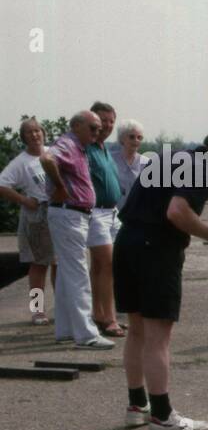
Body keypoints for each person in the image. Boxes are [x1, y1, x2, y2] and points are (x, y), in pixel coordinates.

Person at [112, 127, 208, 430]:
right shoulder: (204, 167)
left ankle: (137, 406)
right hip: (156, 250)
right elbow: (176, 211)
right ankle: (161, 416)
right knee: (159, 335)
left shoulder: (171, 157)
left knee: (138, 330)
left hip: (127, 242)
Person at [40, 110, 114, 348]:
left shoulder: (78, 147)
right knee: (77, 273)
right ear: (76, 126)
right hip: (68, 214)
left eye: (98, 128)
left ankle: (66, 329)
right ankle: (86, 334)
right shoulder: (68, 144)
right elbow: (47, 158)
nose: (97, 132)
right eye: (92, 127)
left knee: (65, 273)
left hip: (72, 214)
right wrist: (60, 186)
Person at [0, 118, 56, 324]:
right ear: (24, 137)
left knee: (58, 264)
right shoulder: (20, 162)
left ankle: (63, 307)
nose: (34, 135)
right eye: (29, 132)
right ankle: (37, 310)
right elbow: (2, 184)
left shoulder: (53, 153)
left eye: (37, 131)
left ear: (43, 133)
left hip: (58, 214)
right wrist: (24, 200)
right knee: (39, 265)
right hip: (37, 216)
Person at [86, 101, 125, 336]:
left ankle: (98, 313)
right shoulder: (86, 148)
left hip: (110, 212)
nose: (108, 126)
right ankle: (36, 308)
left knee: (100, 266)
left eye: (111, 121)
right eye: (103, 121)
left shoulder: (104, 149)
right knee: (37, 268)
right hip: (93, 212)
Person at [111, 118, 152, 200]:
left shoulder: (147, 163)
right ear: (122, 138)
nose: (136, 140)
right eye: (132, 137)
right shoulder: (110, 160)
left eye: (139, 137)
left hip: (137, 210)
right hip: (113, 209)